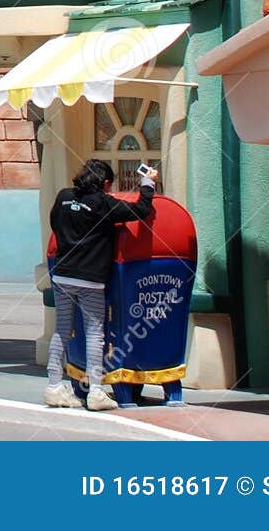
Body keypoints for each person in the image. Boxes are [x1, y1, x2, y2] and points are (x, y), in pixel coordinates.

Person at [44, 158, 156, 412]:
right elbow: (141, 210)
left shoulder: (63, 196)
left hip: (62, 275)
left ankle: (54, 386)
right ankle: (95, 391)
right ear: (105, 183)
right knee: (95, 333)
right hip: (90, 278)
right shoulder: (104, 202)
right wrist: (147, 182)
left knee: (62, 330)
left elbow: (55, 224)